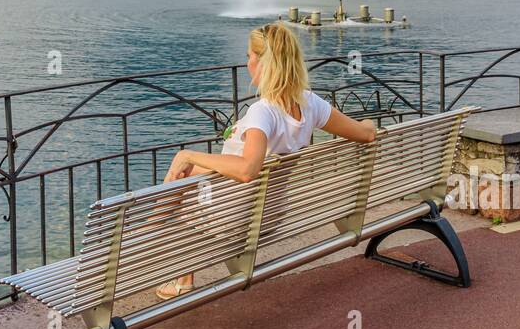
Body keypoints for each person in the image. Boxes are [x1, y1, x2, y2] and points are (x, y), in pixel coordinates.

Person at [155, 22, 378, 299]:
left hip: (232, 215)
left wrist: (187, 155)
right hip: (267, 215)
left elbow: (248, 169)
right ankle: (167, 256)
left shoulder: (263, 112)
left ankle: (147, 240)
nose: (247, 62)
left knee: (185, 171)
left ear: (263, 63)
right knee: (195, 172)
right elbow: (366, 134)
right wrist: (369, 124)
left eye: (250, 56)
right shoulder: (309, 104)